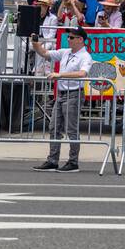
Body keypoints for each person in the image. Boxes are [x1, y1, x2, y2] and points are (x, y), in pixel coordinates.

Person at [31, 27, 94, 173]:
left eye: (71, 37)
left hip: (74, 94)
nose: (68, 39)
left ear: (80, 39)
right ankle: (52, 160)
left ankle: (73, 162)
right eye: (68, 37)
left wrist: (61, 75)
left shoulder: (85, 56)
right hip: (61, 94)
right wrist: (35, 42)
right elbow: (44, 53)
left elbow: (82, 73)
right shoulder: (65, 52)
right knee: (54, 127)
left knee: (71, 129)